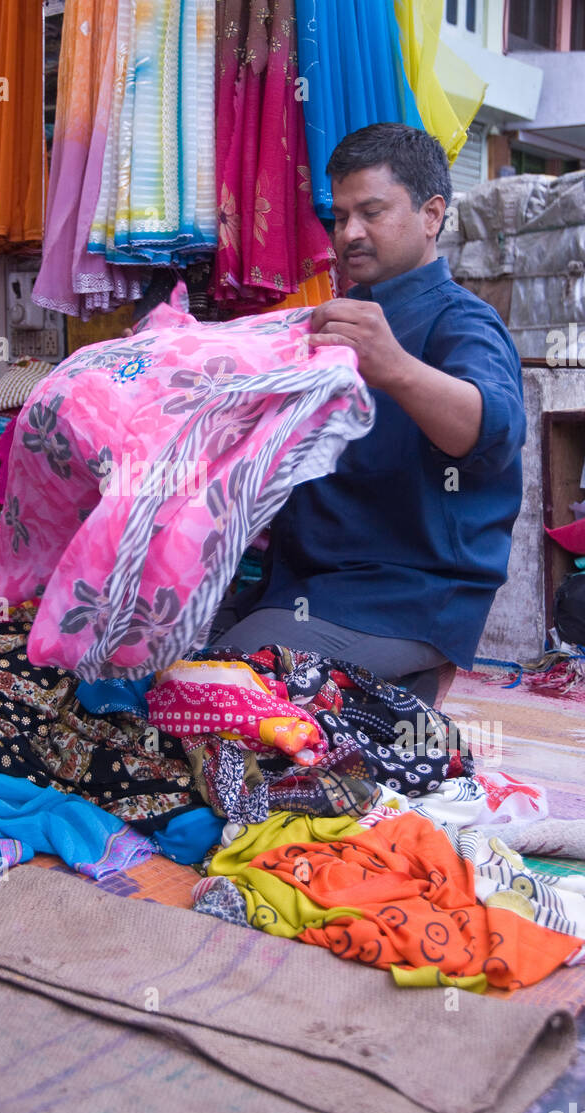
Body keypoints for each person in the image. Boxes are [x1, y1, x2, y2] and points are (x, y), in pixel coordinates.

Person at [212, 122, 527, 705]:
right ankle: (376, 691)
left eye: (372, 213)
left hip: (405, 595)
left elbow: (493, 432)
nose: (350, 233)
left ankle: (406, 685)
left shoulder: (463, 322)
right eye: (340, 217)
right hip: (304, 581)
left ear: (432, 215)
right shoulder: (337, 317)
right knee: (156, 660)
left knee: (222, 692)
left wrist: (396, 367)